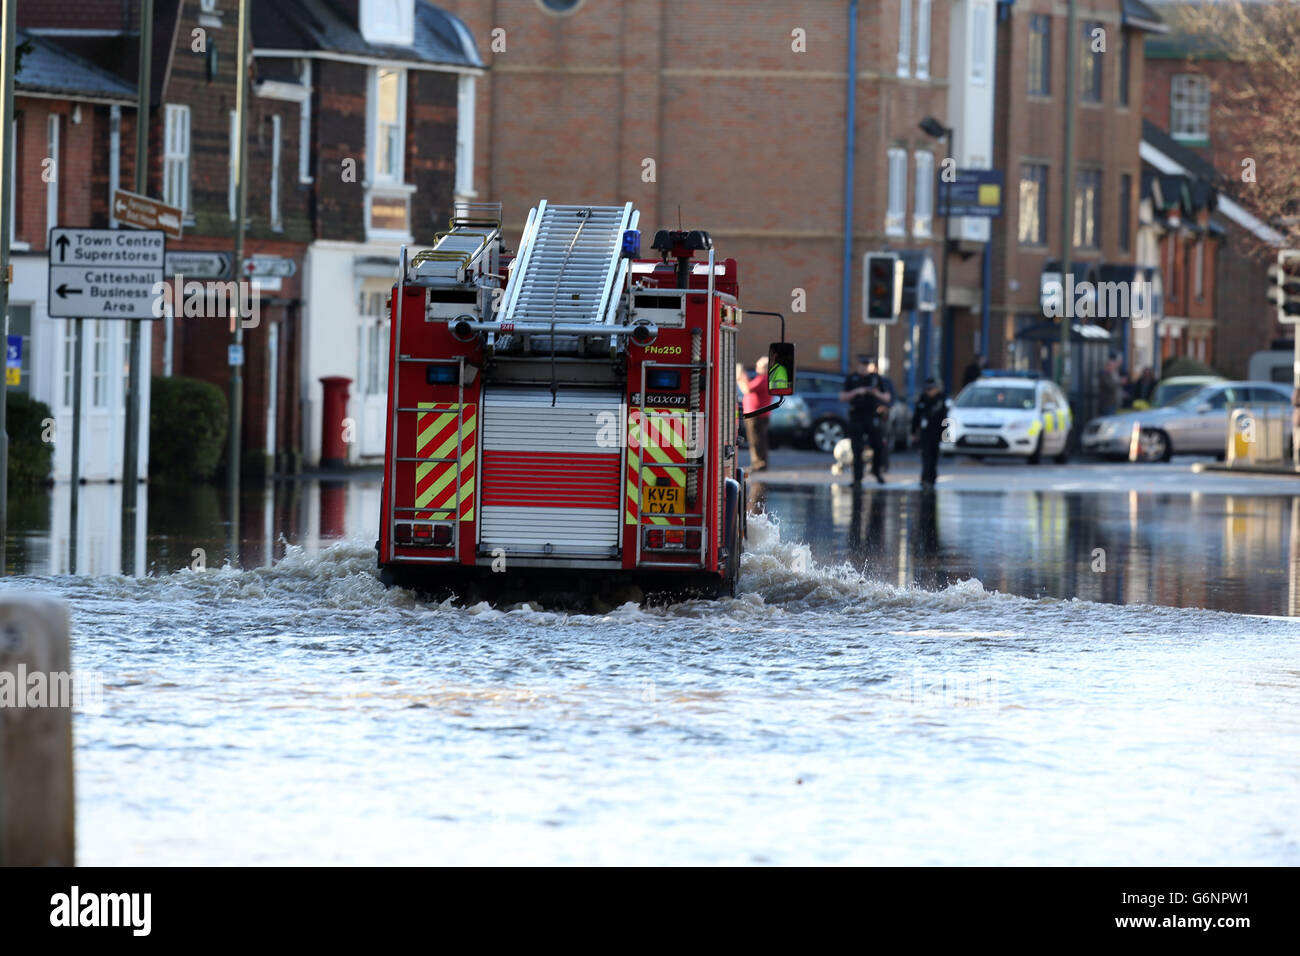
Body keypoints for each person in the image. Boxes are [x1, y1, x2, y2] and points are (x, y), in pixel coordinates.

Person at [839, 354, 890, 485]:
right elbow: (842, 396)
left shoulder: (875, 379)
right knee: (857, 448)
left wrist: (875, 393)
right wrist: (856, 392)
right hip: (856, 416)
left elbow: (887, 397)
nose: (865, 368)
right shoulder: (852, 378)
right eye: (863, 365)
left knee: (878, 445)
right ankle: (857, 478)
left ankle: (876, 470)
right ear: (859, 366)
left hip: (872, 415)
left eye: (867, 365)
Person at [912, 377, 948, 490]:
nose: (929, 392)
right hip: (925, 433)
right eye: (927, 390)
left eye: (931, 389)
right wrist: (913, 432)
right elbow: (916, 417)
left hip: (936, 432)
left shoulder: (940, 399)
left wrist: (945, 434)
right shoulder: (922, 399)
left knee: (934, 457)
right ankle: (925, 479)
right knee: (926, 457)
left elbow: (944, 418)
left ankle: (932, 478)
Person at [737, 357, 772, 471]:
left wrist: (741, 378)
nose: (757, 368)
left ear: (765, 368)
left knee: (756, 440)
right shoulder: (764, 378)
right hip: (760, 414)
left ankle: (759, 464)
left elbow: (747, 389)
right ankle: (759, 463)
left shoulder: (763, 378)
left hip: (757, 415)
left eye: (759, 366)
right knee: (758, 440)